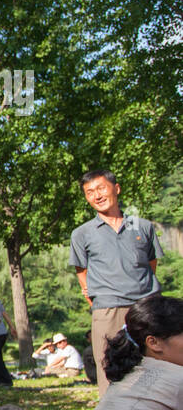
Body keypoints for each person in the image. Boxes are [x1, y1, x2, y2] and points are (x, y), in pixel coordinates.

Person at [70, 169, 164, 394]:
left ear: (117, 188)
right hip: (107, 309)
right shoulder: (82, 233)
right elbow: (81, 270)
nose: (97, 196)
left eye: (101, 188)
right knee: (109, 370)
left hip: (146, 307)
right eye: (90, 192)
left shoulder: (142, 227)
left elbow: (151, 264)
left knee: (156, 367)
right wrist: (93, 296)